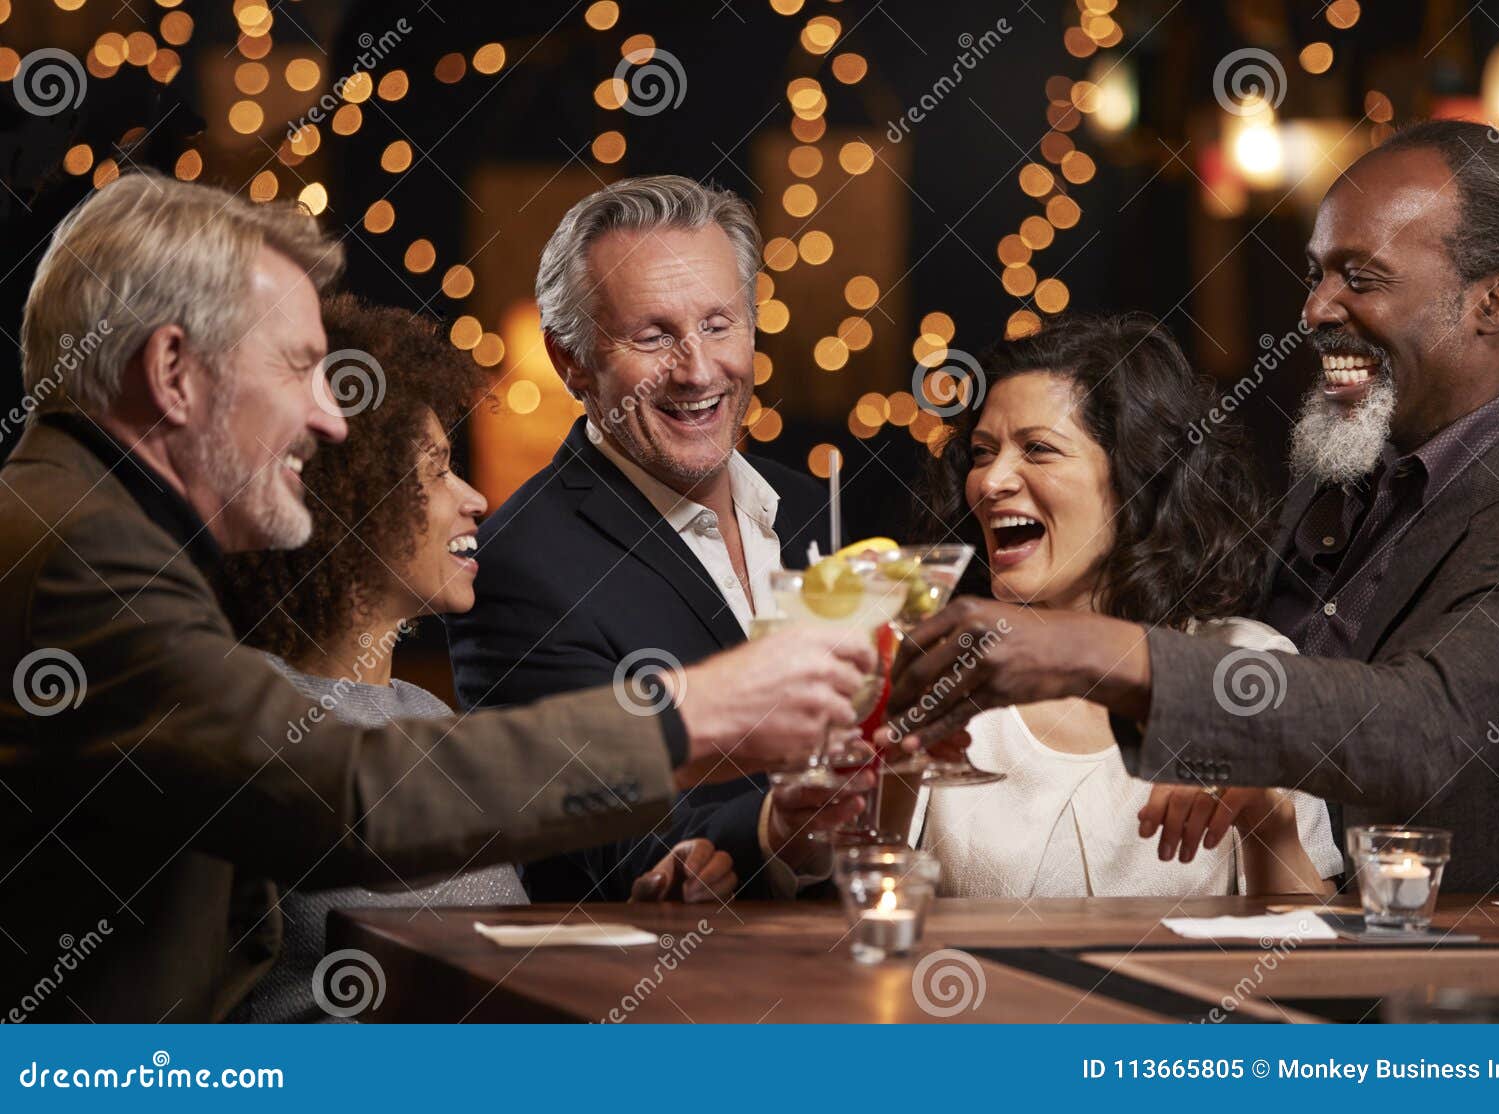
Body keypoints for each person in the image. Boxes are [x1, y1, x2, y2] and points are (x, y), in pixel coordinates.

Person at [0, 173, 872, 1021]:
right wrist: (688, 713)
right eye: (297, 366)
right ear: (173, 370)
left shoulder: (82, 525)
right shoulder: (82, 553)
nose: (331, 419)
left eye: (720, 322)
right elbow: (347, 796)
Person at [884, 121, 1499, 894]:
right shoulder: (1325, 481)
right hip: (1257, 976)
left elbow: (1427, 729)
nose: (1316, 309)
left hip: (1446, 993)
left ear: (1497, 299)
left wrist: (1089, 649)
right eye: (1317, 273)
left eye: (1360, 278)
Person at [220, 295, 736, 1022]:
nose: (475, 500)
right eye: (434, 472)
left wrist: (641, 913)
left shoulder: (425, 714)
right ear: (346, 496)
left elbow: (489, 967)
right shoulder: (248, 714)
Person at [777, 316, 1340, 896]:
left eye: (1038, 450)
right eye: (980, 452)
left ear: (1137, 479)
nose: (990, 481)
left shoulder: (1247, 666)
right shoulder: (936, 667)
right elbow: (864, 921)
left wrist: (1266, 821)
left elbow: (1316, 959)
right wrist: (896, 769)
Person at [447, 175, 836, 899]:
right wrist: (771, 831)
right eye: (652, 335)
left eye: (719, 324)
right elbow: (609, 844)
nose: (697, 371)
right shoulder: (518, 567)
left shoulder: (815, 511)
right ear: (571, 363)